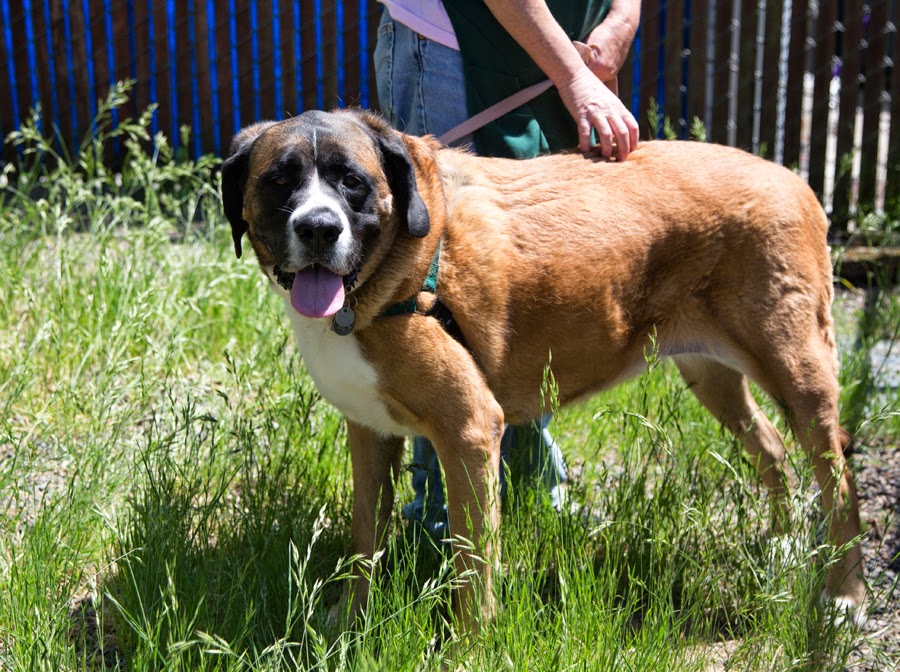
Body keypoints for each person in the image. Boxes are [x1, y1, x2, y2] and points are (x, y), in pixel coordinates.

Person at [374, 0, 641, 537]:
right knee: (448, 299)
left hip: (564, 51)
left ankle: (528, 494)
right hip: (456, 43)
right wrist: (573, 76)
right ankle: (440, 519)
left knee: (536, 281)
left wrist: (620, 21)